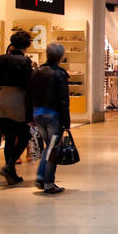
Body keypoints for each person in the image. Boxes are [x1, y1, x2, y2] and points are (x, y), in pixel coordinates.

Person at [0, 29, 34, 186]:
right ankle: (9, 165)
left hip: (2, 98)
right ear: (27, 45)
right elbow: (28, 84)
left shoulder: (1, 60)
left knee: (9, 138)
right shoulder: (25, 61)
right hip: (18, 99)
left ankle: (11, 172)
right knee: (24, 135)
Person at [29, 42, 71, 195]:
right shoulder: (60, 74)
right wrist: (66, 122)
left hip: (38, 115)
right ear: (60, 56)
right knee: (53, 148)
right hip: (53, 116)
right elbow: (64, 100)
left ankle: (41, 176)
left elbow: (29, 95)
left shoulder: (36, 72)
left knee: (49, 146)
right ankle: (48, 183)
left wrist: (29, 115)